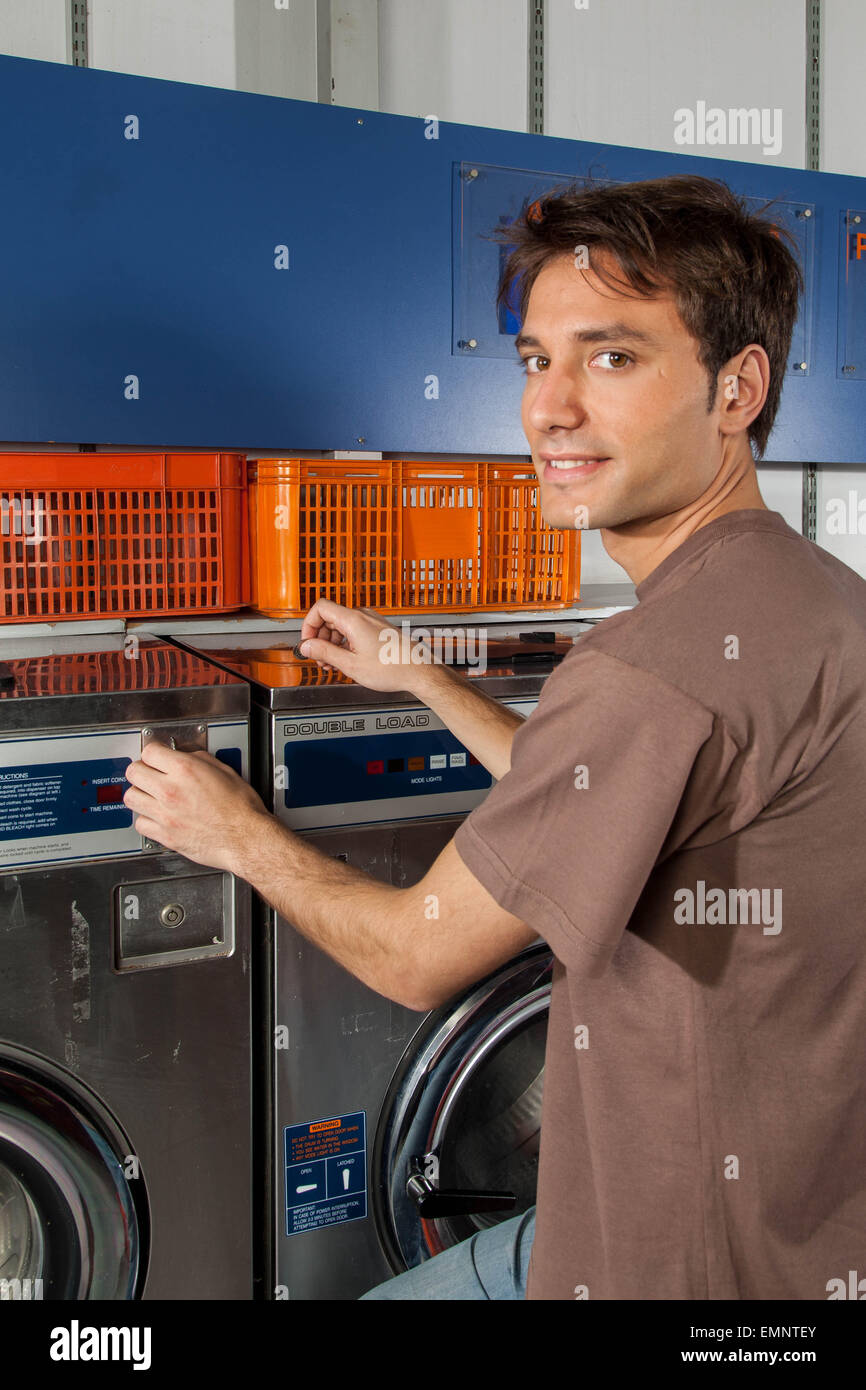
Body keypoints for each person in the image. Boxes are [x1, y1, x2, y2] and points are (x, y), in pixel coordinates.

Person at [123, 174, 866, 1300]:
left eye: (611, 358)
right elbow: (613, 805)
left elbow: (416, 955)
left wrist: (233, 834)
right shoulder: (815, 600)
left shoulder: (642, 668)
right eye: (534, 360)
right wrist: (418, 674)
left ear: (735, 388)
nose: (550, 409)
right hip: (805, 1234)